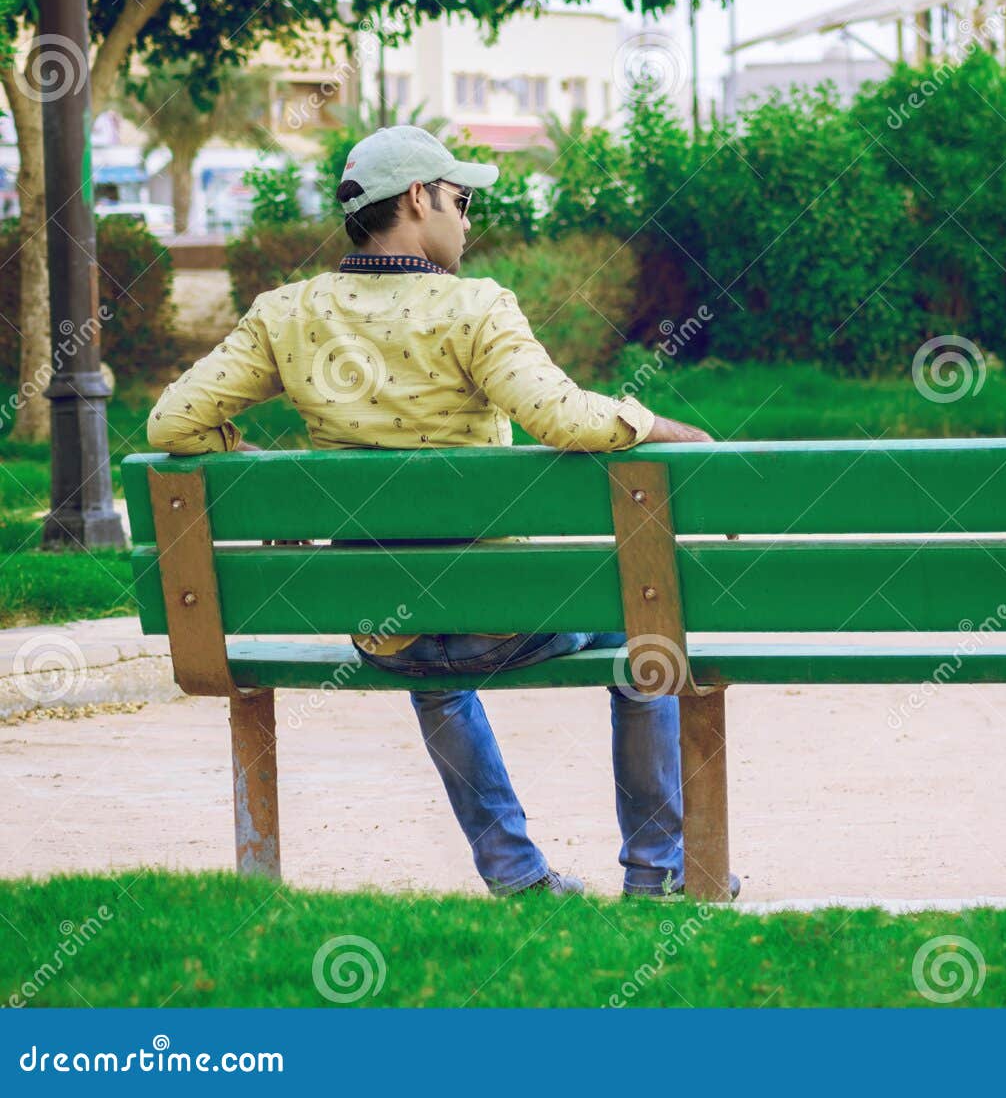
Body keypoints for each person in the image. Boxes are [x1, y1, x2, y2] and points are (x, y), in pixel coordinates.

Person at [147, 126, 736, 901]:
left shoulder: (286, 315)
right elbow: (563, 417)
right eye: (463, 201)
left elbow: (171, 424)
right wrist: (666, 428)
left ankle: (518, 878)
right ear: (419, 199)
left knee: (429, 652)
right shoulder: (474, 309)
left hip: (385, 629)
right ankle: (657, 873)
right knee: (645, 634)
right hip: (506, 619)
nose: (467, 220)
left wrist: (263, 469)